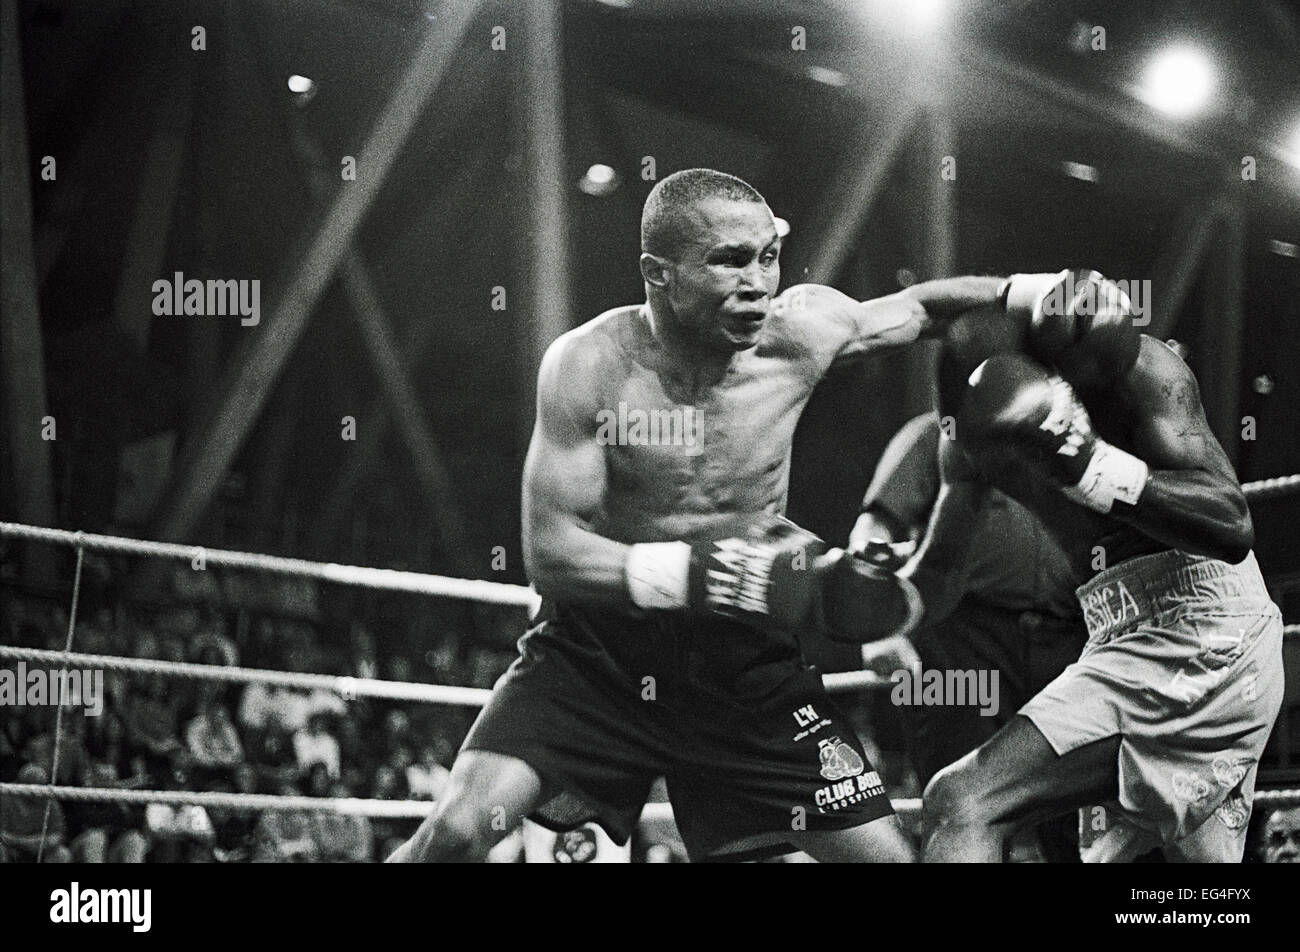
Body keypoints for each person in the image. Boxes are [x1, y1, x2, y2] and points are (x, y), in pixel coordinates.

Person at [389, 168, 1021, 863]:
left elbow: (921, 310)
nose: (757, 281)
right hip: (600, 659)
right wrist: (709, 574)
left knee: (891, 862)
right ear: (657, 273)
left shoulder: (800, 334)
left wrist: (1034, 292)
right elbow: (551, 552)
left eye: (768, 255)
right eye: (729, 260)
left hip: (744, 669)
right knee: (456, 834)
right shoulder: (589, 365)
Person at [855, 271, 1284, 861]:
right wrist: (872, 603)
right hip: (1115, 627)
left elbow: (1233, 526)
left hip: (1207, 625)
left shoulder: (1146, 373)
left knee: (962, 802)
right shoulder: (964, 439)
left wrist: (1091, 464)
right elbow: (939, 576)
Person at [849, 412, 1088, 860]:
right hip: (959, 640)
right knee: (958, 804)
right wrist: (874, 623)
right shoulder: (938, 433)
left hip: (1070, 640)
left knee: (1079, 820)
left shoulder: (1074, 435)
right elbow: (876, 529)